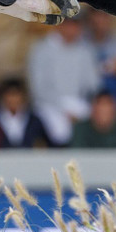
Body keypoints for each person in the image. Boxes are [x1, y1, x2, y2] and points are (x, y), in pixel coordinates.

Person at [27, 17, 101, 145]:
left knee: (97, 123)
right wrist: (64, 110)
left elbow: (93, 84)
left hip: (80, 103)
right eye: (68, 25)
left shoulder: (86, 49)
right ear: (59, 26)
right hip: (49, 104)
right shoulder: (42, 49)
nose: (72, 29)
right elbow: (38, 88)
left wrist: (89, 104)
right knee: (61, 132)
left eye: (75, 25)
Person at [0, 78, 54, 148]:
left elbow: (48, 144)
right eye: (10, 95)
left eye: (16, 95)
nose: (13, 99)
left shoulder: (34, 121)